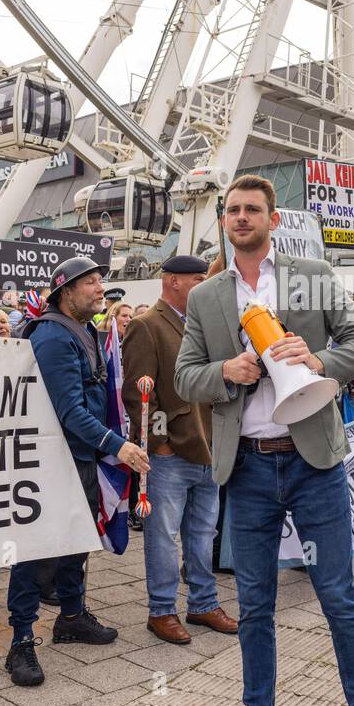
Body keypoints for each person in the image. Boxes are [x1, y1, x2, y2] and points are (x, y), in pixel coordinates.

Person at [175, 174, 354, 706]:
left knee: (339, 599)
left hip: (315, 463)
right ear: (224, 220)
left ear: (274, 220)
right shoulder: (206, 296)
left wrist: (316, 360)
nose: (242, 218)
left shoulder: (311, 278)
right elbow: (186, 377)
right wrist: (227, 371)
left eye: (253, 210)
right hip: (248, 469)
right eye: (234, 210)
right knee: (256, 606)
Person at [4, 256, 152, 687]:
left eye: (100, 280)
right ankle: (21, 642)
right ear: (64, 290)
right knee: (37, 553)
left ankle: (71, 617)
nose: (99, 288)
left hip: (80, 459)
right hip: (55, 462)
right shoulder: (52, 335)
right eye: (89, 282)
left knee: (76, 543)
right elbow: (68, 410)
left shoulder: (86, 330)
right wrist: (117, 445)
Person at [121, 255, 238, 645]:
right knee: (163, 536)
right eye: (197, 279)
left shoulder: (202, 323)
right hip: (171, 453)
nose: (205, 285)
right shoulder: (146, 325)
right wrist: (161, 445)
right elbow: (140, 395)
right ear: (173, 281)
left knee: (204, 533)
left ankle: (203, 603)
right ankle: (162, 610)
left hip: (209, 446)